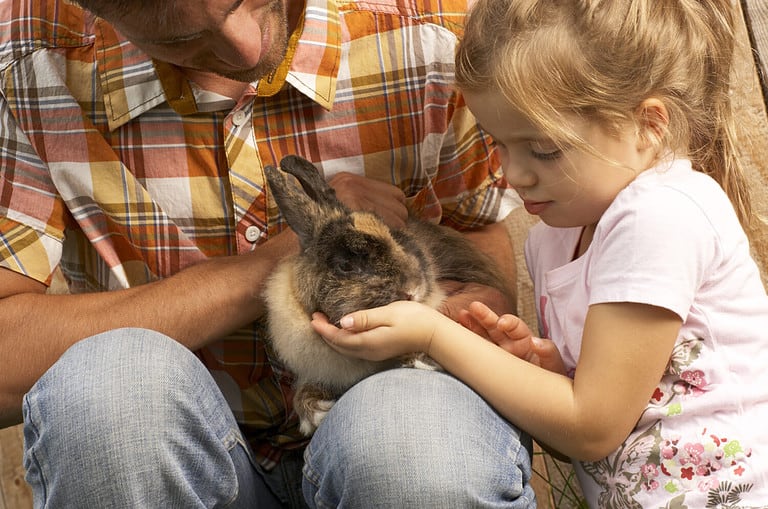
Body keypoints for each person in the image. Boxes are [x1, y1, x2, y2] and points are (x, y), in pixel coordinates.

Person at [0, 0, 537, 507]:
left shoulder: (430, 24)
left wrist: (464, 313)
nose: (247, 50)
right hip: (178, 452)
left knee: (409, 443)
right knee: (111, 393)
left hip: (379, 426)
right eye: (182, 38)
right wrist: (280, 261)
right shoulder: (30, 51)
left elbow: (475, 231)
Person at [313, 0, 768, 506]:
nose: (516, 173)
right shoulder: (553, 238)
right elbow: (581, 435)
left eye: (544, 149)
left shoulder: (659, 216)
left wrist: (435, 334)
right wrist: (543, 374)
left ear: (648, 125)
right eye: (497, 143)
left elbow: (590, 428)